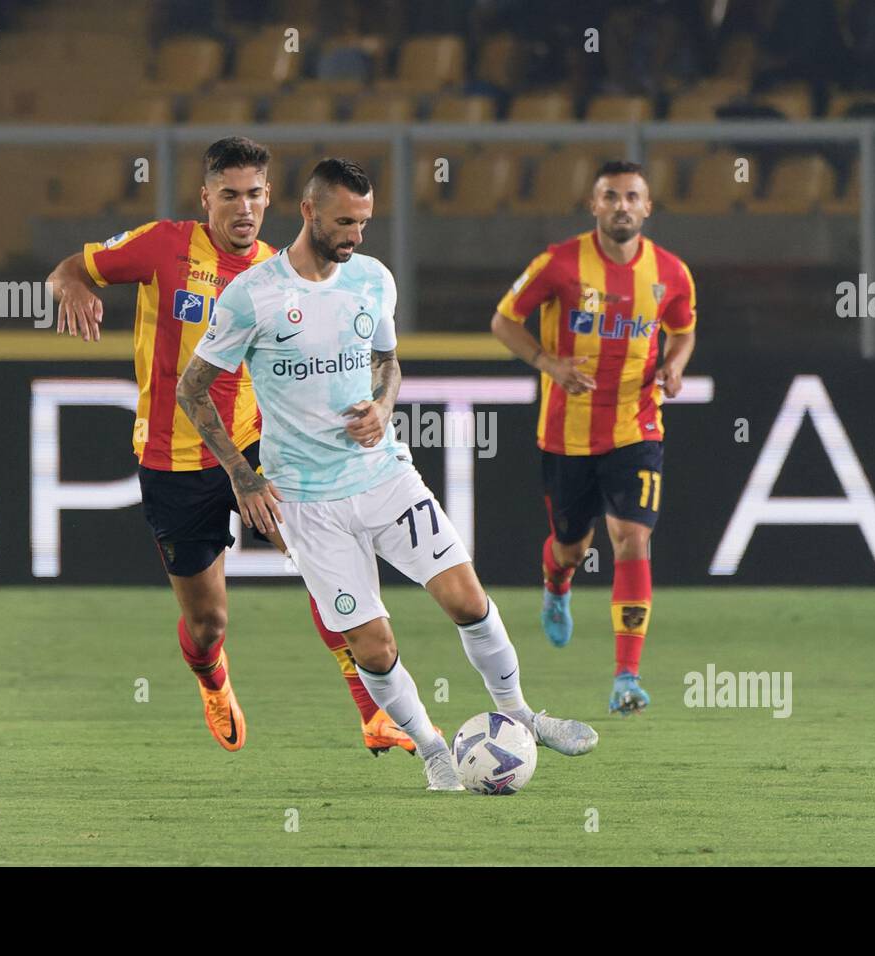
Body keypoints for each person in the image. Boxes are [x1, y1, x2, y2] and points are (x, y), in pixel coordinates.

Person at [177, 158, 598, 791]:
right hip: (307, 504)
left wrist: (382, 405)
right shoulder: (254, 294)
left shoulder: (373, 280)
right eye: (345, 222)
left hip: (384, 477)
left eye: (366, 223)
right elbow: (194, 389)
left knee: (467, 600)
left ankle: (520, 715)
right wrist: (243, 476)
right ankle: (434, 751)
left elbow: (388, 363)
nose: (356, 236)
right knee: (371, 646)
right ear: (310, 211)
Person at [46, 137, 417, 757]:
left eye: (254, 195)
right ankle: (212, 679)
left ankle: (373, 711)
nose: (243, 209)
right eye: (229, 195)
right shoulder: (162, 245)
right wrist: (70, 285)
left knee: (322, 565)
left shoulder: (281, 270)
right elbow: (71, 267)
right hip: (173, 458)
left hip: (255, 443)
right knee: (207, 621)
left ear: (271, 197)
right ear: (206, 197)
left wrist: (371, 405)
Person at [489, 160, 697, 716]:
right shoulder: (559, 264)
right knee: (571, 547)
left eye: (633, 196)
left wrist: (674, 366)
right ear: (594, 205)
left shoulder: (671, 272)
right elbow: (505, 320)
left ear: (648, 207)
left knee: (631, 537)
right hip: (567, 433)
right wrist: (547, 362)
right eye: (611, 196)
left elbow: (683, 328)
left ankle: (626, 676)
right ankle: (557, 583)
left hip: (638, 424)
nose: (622, 206)